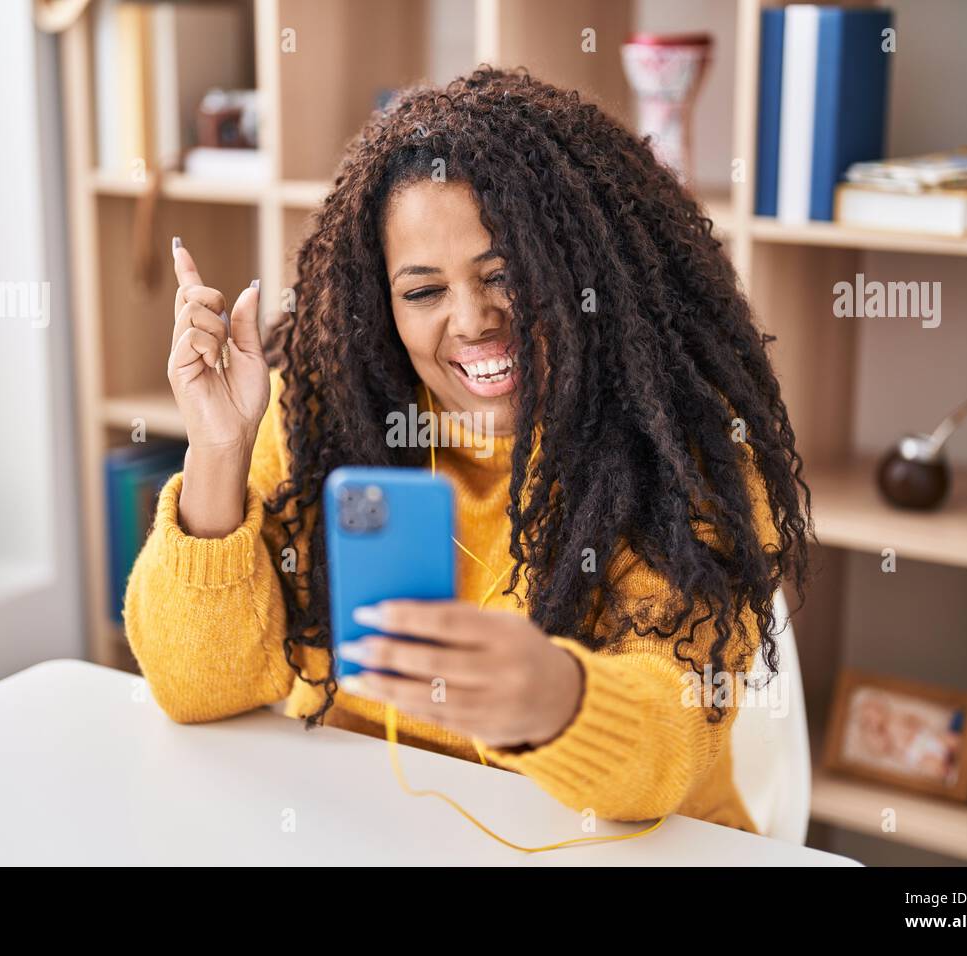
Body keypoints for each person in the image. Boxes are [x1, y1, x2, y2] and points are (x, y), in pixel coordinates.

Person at [125, 68, 810, 831]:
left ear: (588, 269)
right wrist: (218, 452)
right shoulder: (322, 424)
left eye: (507, 276)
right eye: (423, 292)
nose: (475, 321)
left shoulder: (685, 456)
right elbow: (196, 688)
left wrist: (556, 698)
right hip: (372, 835)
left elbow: (664, 755)